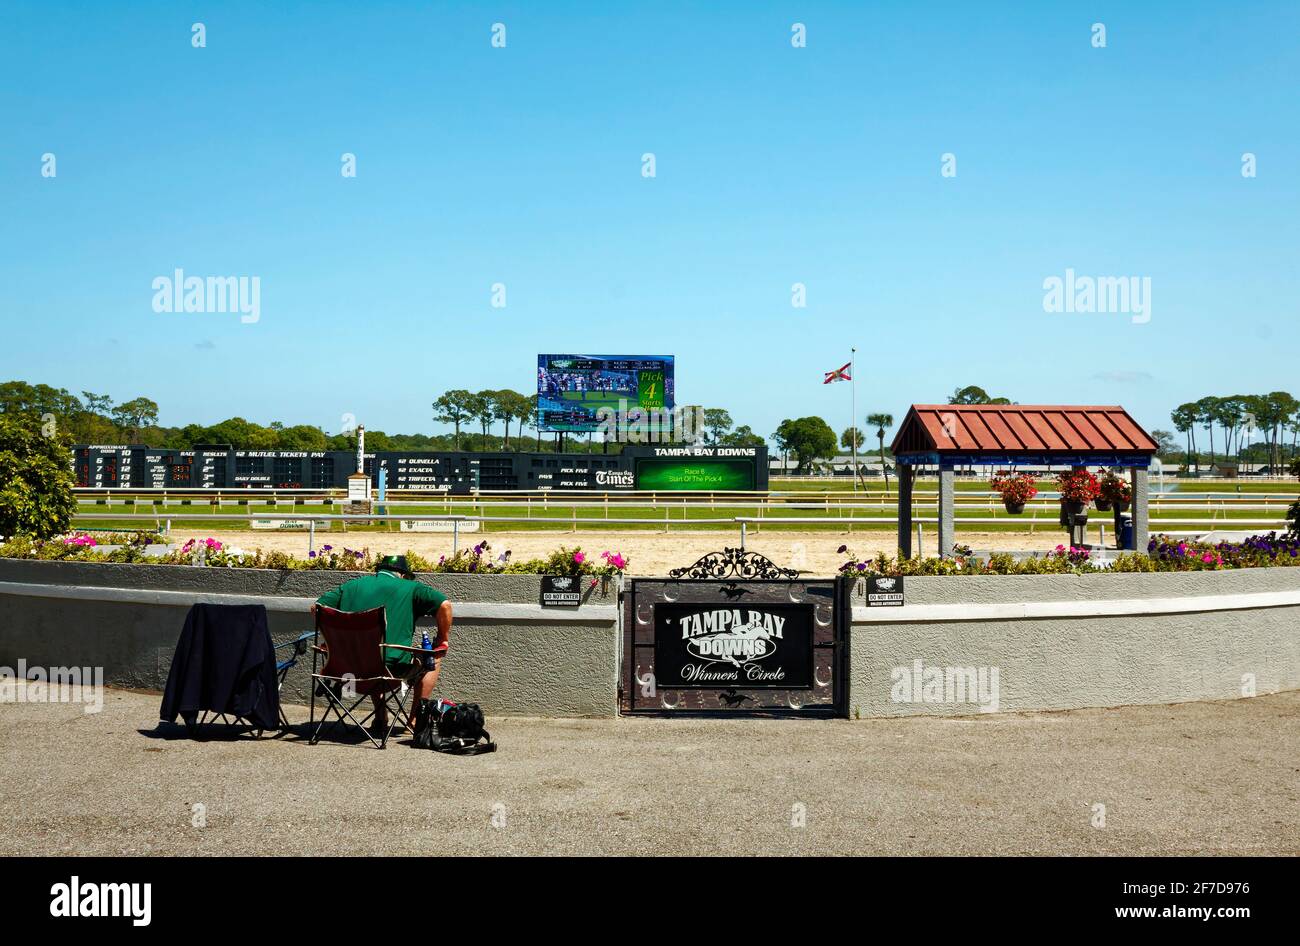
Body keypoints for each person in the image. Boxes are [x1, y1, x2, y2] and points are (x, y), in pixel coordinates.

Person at [312, 554, 451, 735]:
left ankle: (380, 718)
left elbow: (317, 608)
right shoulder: (411, 587)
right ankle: (416, 719)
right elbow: (445, 605)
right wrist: (442, 637)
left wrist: (331, 640)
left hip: (346, 673)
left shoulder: (351, 586)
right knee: (435, 654)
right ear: (402, 574)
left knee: (370, 653)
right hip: (389, 673)